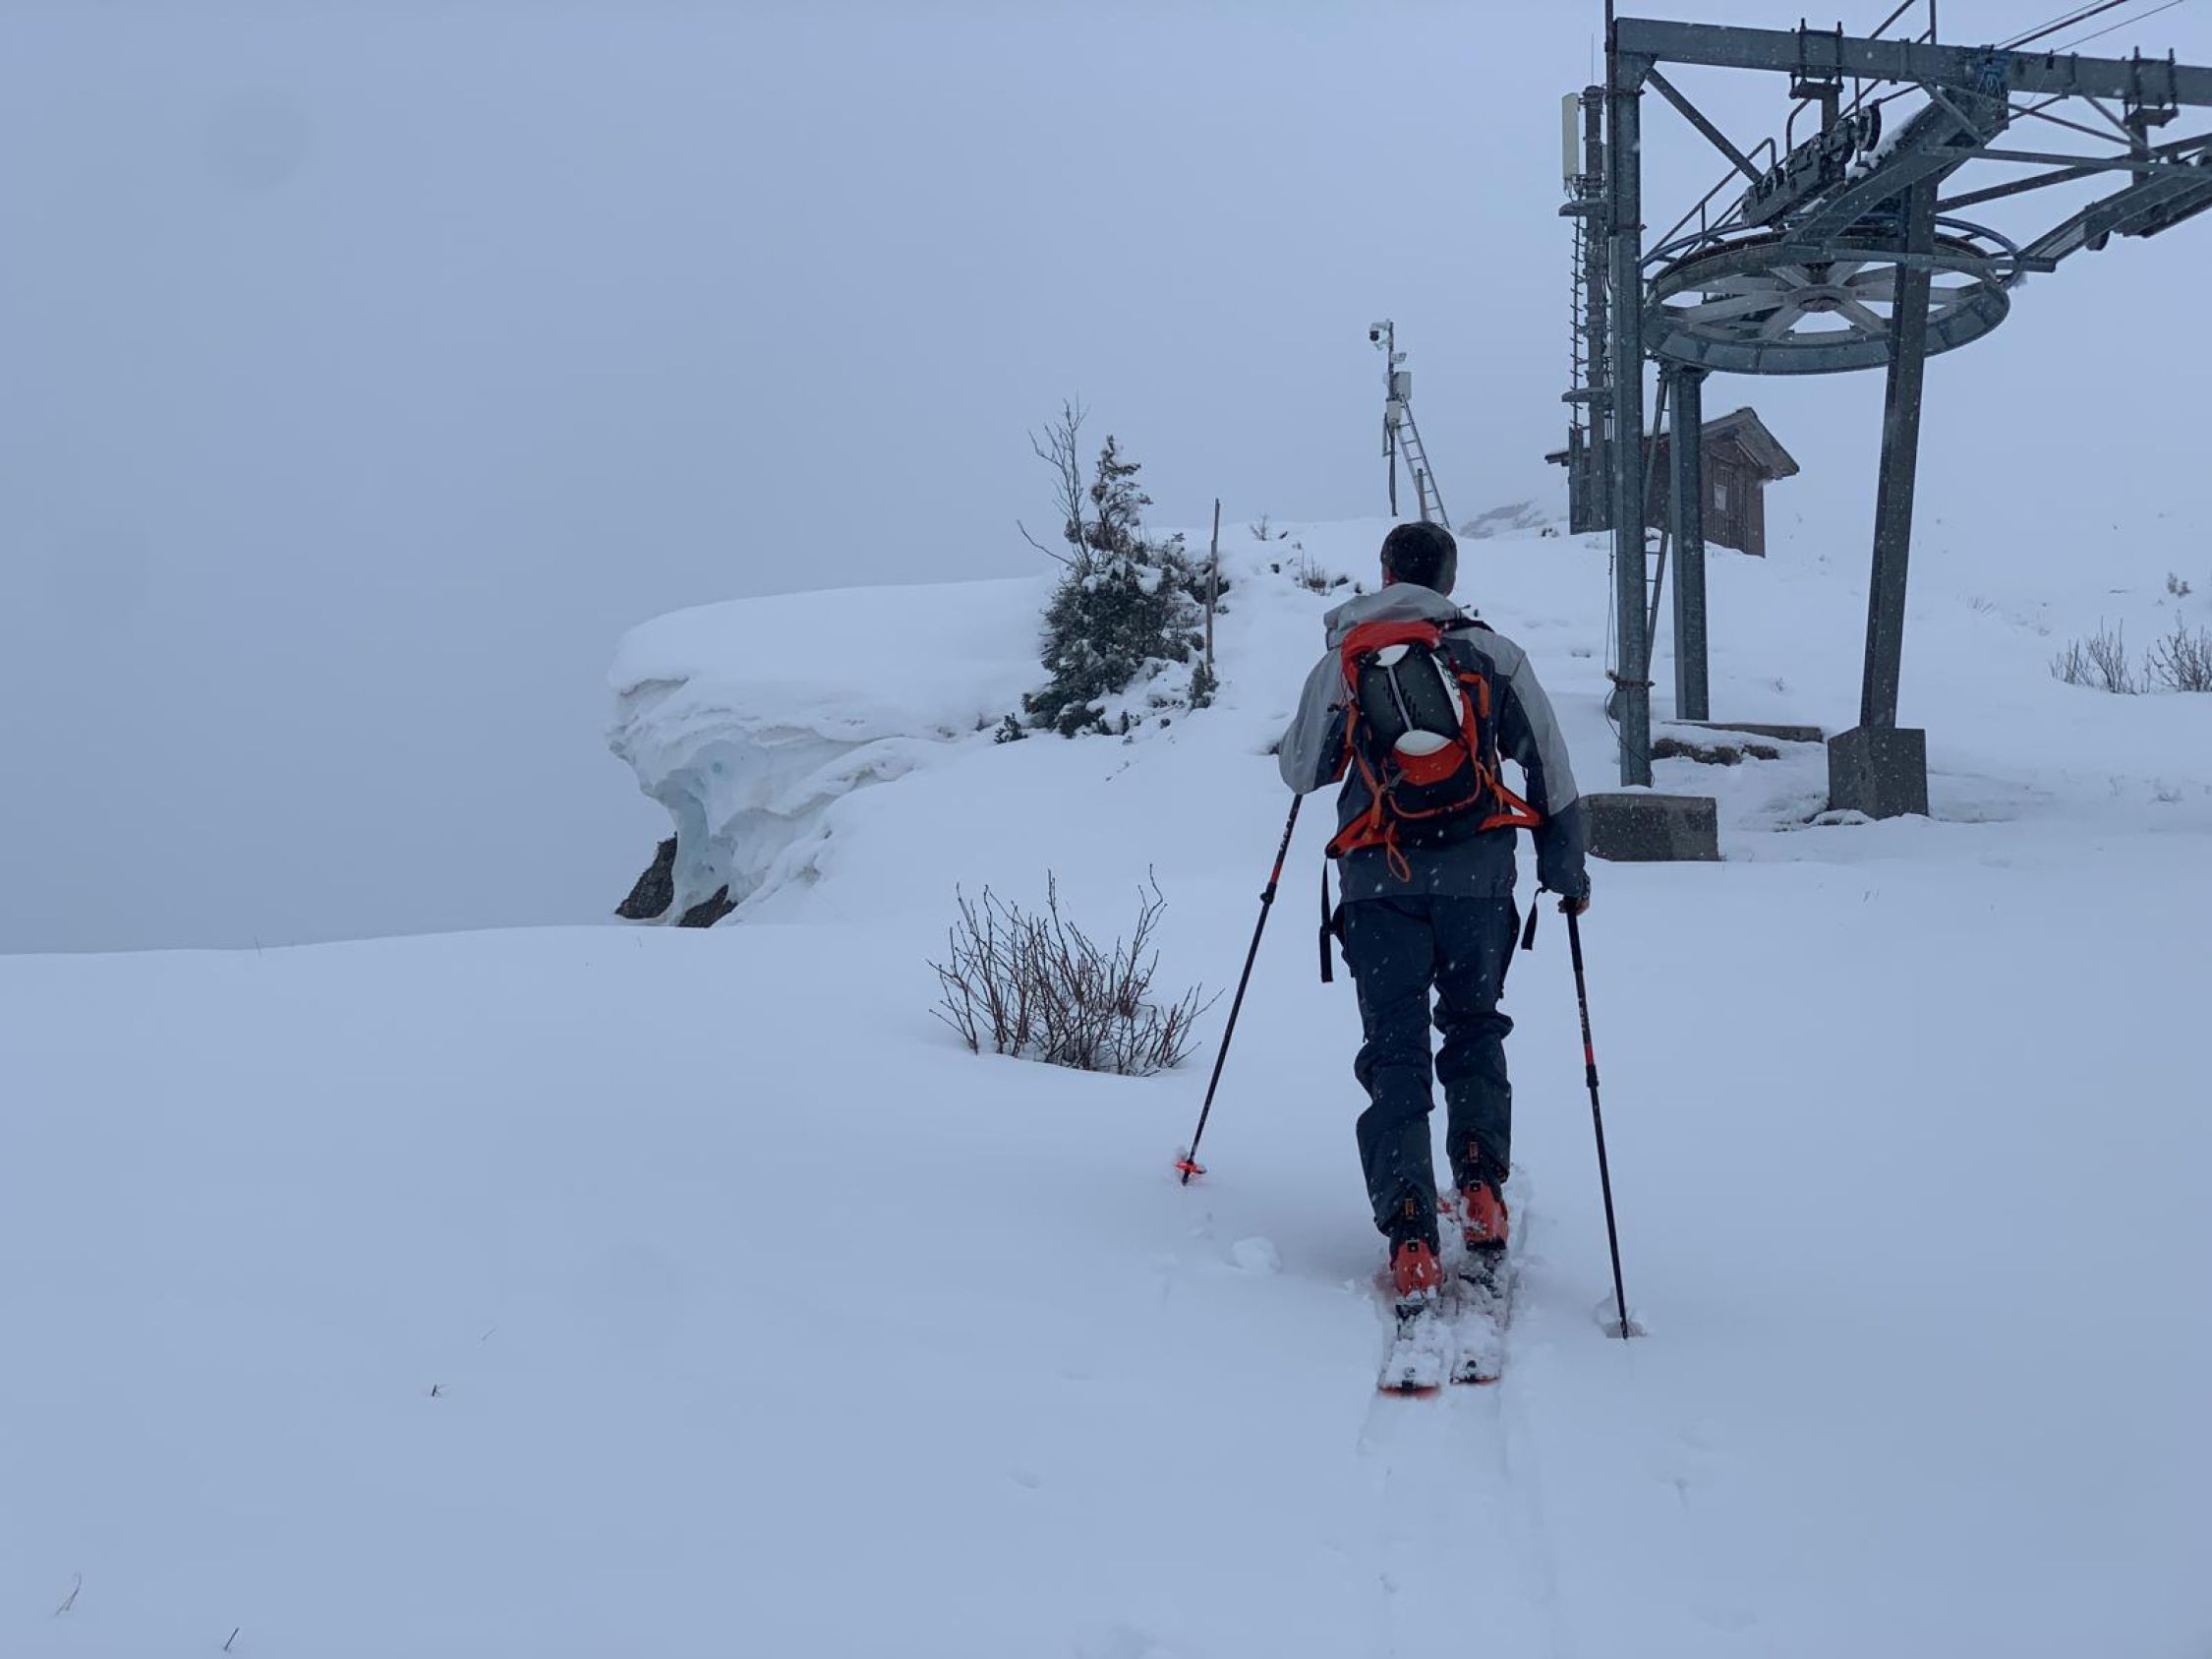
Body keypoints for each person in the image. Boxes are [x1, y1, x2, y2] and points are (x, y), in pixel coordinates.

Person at [1276, 521, 1590, 1301]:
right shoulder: (1490, 653)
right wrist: (1565, 867)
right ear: (1448, 578)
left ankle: (1412, 1227)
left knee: (1394, 1048)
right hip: (1479, 884)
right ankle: (1479, 1186)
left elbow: (1300, 770)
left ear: (1385, 572)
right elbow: (1549, 763)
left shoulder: (1346, 657)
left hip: (1378, 883)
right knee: (1475, 1024)